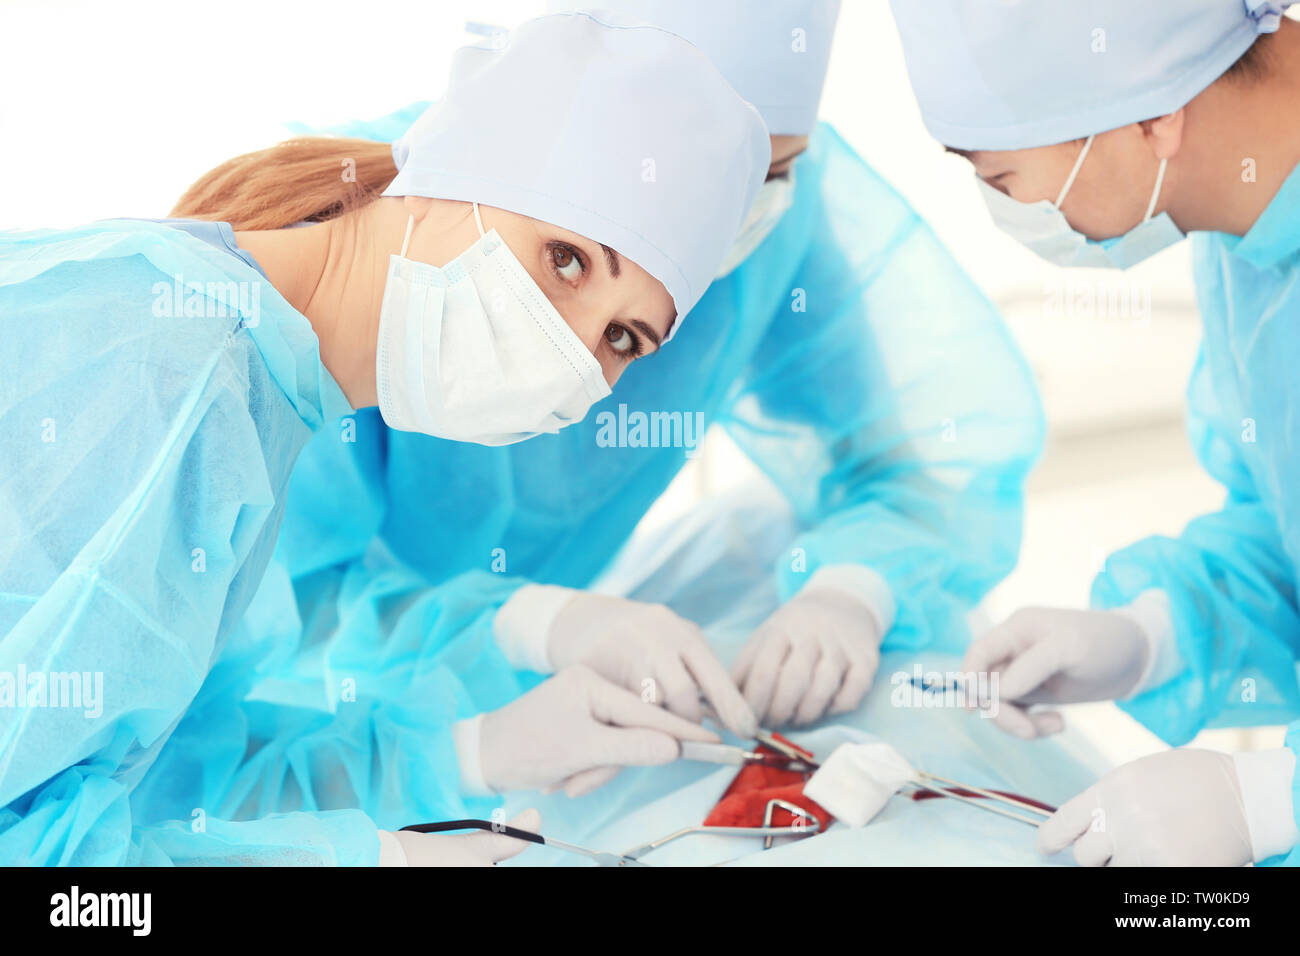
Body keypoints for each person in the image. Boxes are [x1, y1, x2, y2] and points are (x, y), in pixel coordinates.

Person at [0, 11, 768, 866]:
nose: (573, 355)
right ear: (451, 173)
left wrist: (474, 752)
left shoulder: (252, 387)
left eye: (625, 338)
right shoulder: (172, 376)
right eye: (567, 259)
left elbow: (140, 783)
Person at [258, 0, 1043, 814]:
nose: (726, 221)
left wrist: (851, 591)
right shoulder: (424, 223)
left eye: (771, 172)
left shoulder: (782, 222)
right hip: (325, 709)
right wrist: (532, 627)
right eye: (566, 262)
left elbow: (899, 466)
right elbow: (281, 603)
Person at [889, 0, 1300, 865]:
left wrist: (1273, 798)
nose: (1001, 210)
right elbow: (1285, 530)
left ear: (1153, 114)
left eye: (1001, 180)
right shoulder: (1248, 248)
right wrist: (1156, 633)